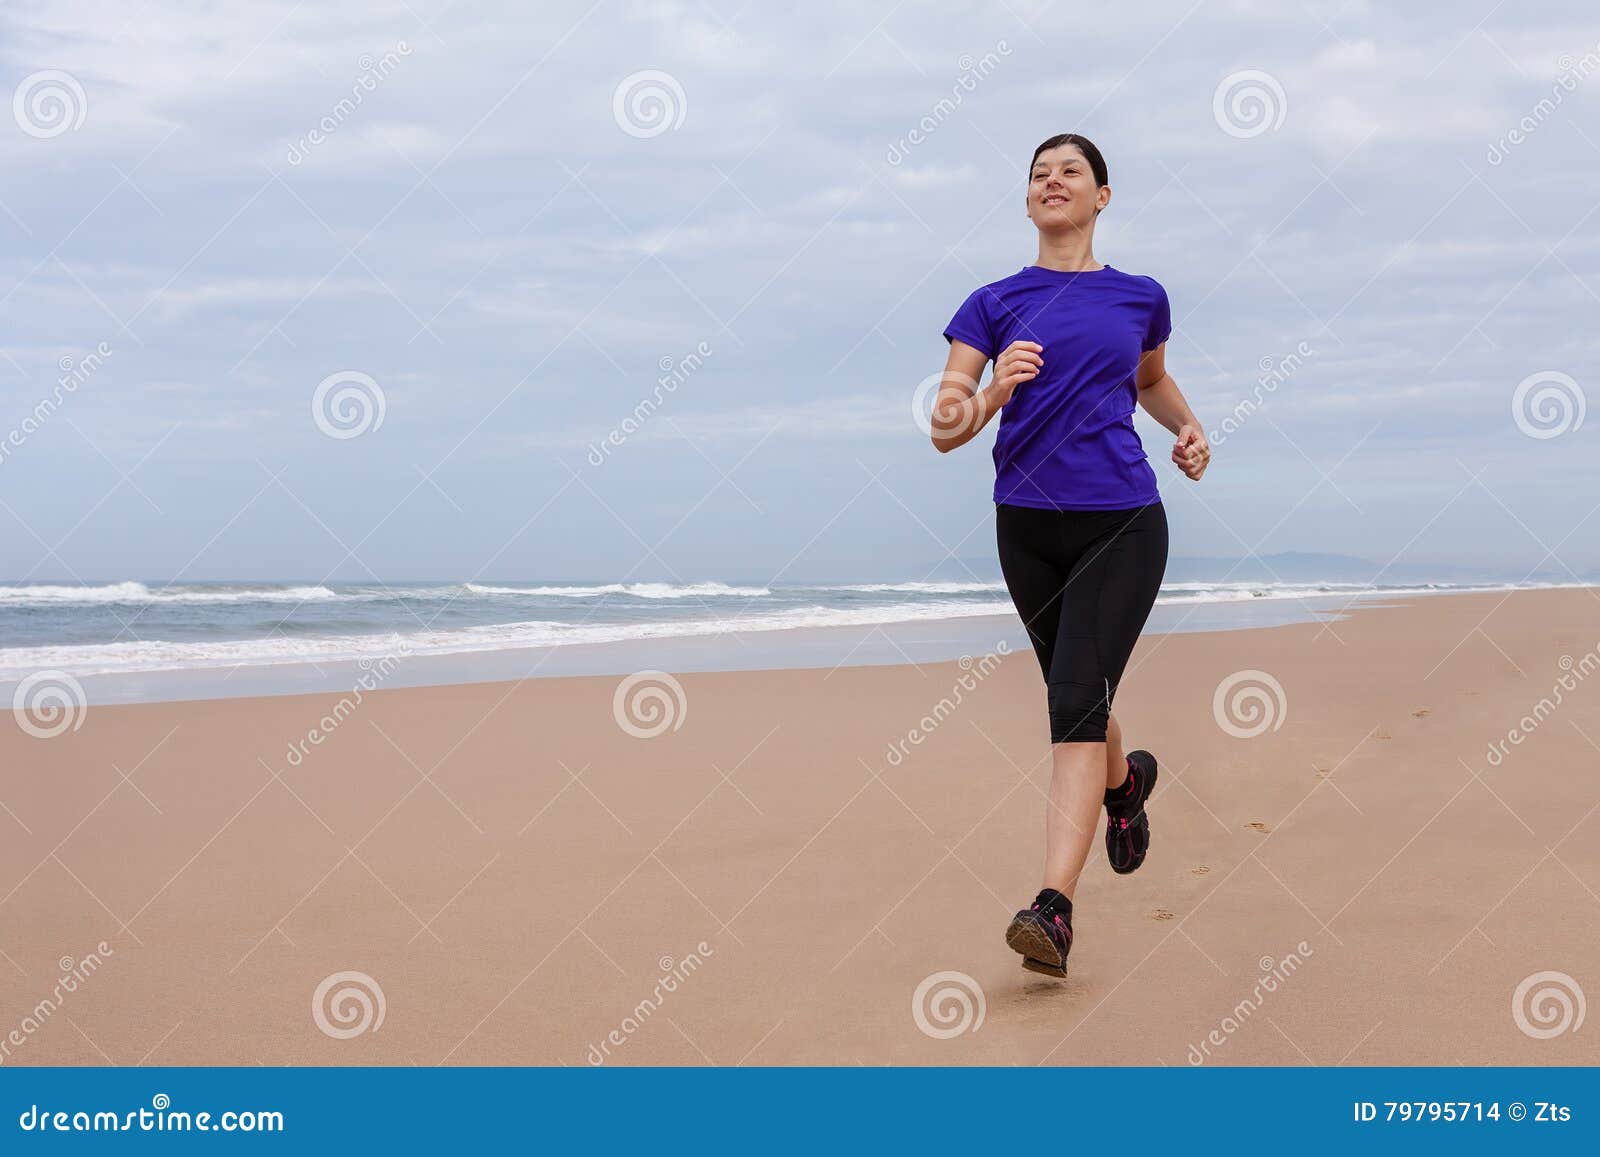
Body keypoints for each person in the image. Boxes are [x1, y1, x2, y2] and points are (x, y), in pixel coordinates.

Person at [930, 133, 1210, 977]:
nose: (1053, 182)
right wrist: (991, 393)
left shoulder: (1139, 297)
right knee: (1074, 691)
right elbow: (944, 428)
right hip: (1026, 528)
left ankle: (1052, 908)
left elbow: (1150, 377)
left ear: (1102, 197)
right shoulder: (992, 302)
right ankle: (1124, 787)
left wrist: (1187, 429)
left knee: (1072, 705)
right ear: (1027, 203)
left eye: (1071, 173)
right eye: (1038, 175)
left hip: (1122, 520)